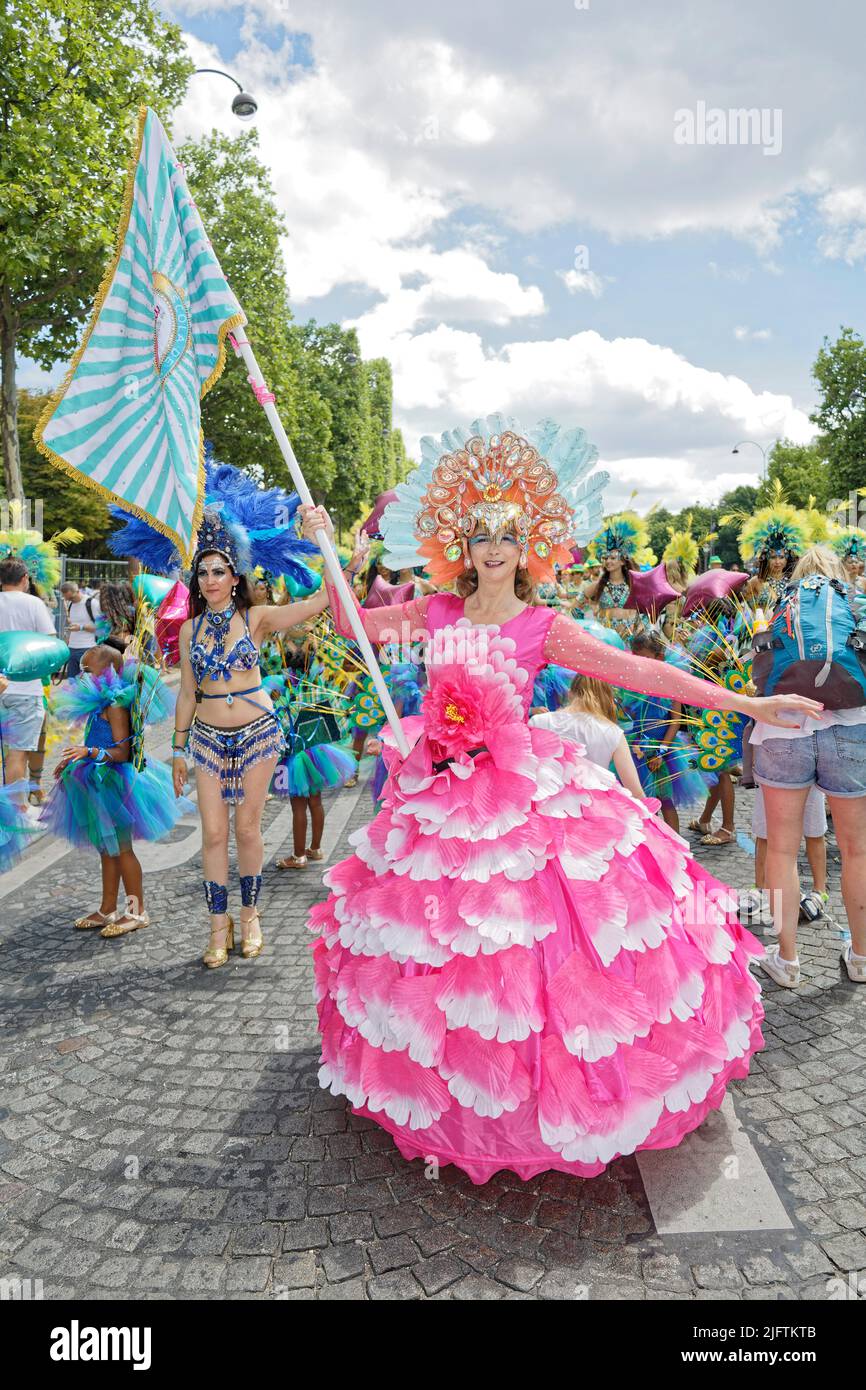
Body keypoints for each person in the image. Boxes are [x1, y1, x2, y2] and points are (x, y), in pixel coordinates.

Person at [299, 416, 822, 1184]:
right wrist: (333, 551)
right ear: (463, 548)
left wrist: (746, 705)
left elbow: (638, 674)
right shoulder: (433, 614)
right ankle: (458, 1089)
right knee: (449, 958)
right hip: (439, 799)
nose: (494, 550)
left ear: (527, 547)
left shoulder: (545, 625)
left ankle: (560, 1095)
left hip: (521, 795)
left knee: (536, 947)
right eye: (480, 537)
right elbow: (350, 621)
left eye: (507, 537)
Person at [172, 507, 330, 968]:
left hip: (257, 734)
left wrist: (332, 548)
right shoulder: (188, 630)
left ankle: (251, 917)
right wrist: (178, 748)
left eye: (218, 570)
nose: (209, 579)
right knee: (214, 833)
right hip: (205, 738)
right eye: (201, 572)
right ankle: (217, 929)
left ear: (235, 576)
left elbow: (318, 601)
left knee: (246, 828)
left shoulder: (256, 618)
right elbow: (186, 691)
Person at [748, 545, 866, 987]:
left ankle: (788, 959)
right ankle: (860, 956)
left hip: (785, 727)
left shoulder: (778, 605)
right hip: (851, 727)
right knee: (857, 849)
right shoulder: (855, 604)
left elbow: (757, 671)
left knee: (781, 848)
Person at [37, 644, 189, 933]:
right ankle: (107, 909)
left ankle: (137, 911)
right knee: (107, 849)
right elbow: (93, 741)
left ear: (107, 672)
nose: (81, 676)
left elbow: (122, 752)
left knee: (122, 849)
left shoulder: (116, 704)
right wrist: (72, 763)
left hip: (115, 785)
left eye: (87, 670)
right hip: (95, 781)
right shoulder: (98, 703)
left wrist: (89, 753)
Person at [0, 557, 57, 809]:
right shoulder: (34, 604)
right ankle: (17, 812)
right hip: (25, 688)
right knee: (18, 753)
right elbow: (50, 645)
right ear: (25, 579)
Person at [531, 672, 644, 797]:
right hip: (593, 808)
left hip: (543, 805)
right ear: (606, 699)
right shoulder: (613, 733)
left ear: (570, 693)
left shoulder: (539, 721)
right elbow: (635, 791)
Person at [61, 578, 100, 677]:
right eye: (67, 599)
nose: (69, 600)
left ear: (78, 591)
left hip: (88, 648)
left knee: (86, 683)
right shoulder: (70, 604)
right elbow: (72, 626)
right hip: (72, 649)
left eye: (71, 598)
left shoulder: (92, 603)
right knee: (72, 683)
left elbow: (101, 627)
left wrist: (81, 627)